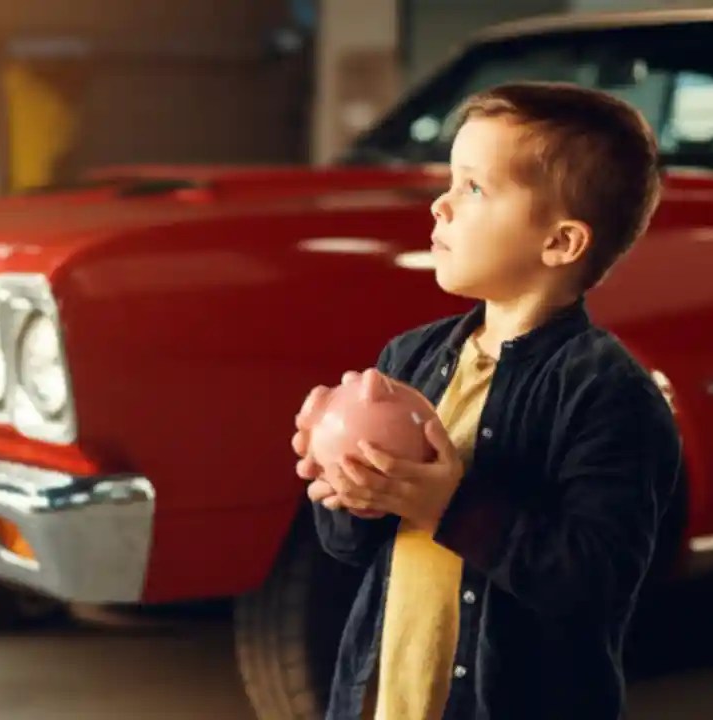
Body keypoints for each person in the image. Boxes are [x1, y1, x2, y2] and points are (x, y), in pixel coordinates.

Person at [292, 81, 683, 720]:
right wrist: (343, 487)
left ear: (561, 243)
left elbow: (594, 581)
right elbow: (352, 547)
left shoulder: (606, 393)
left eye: (474, 188)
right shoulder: (408, 358)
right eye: (451, 180)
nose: (441, 205)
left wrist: (450, 506)